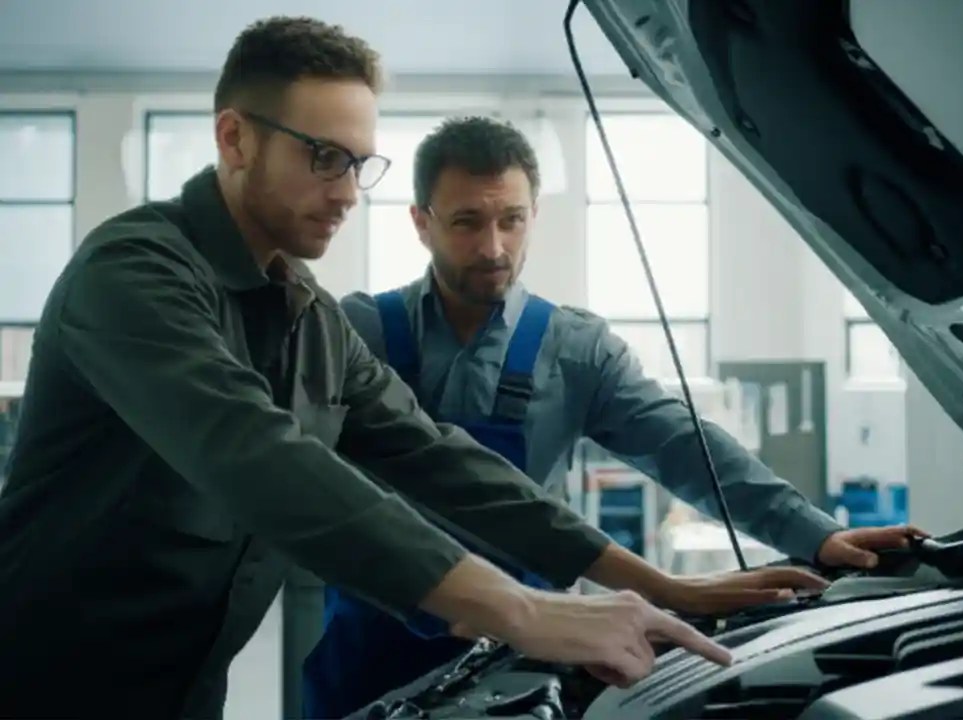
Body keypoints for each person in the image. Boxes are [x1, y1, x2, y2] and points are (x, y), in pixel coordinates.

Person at [0, 18, 831, 720]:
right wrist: (524, 609)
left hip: (182, 689)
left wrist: (656, 585)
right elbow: (255, 455)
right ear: (233, 138)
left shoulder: (307, 313)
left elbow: (439, 458)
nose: (348, 190)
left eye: (359, 163)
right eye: (325, 157)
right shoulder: (134, 273)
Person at [304, 115, 929, 716]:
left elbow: (682, 445)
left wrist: (814, 533)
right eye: (467, 222)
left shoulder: (575, 349)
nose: (493, 247)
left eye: (511, 220)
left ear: (534, 217)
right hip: (369, 645)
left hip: (527, 652)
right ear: (421, 222)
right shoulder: (356, 332)